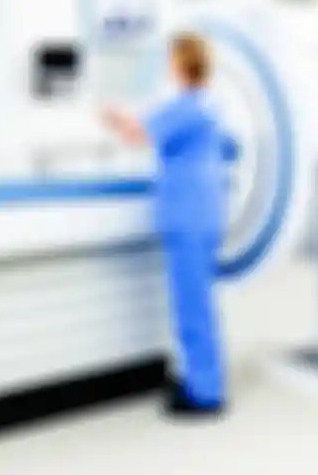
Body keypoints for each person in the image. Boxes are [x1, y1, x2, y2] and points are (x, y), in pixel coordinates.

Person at [102, 32, 237, 418]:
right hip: (207, 212)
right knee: (199, 304)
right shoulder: (211, 106)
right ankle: (200, 377)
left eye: (171, 58)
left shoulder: (184, 107)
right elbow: (229, 148)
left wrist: (111, 116)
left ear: (180, 63)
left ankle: (206, 394)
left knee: (192, 307)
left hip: (188, 216)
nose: (167, 64)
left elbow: (138, 134)